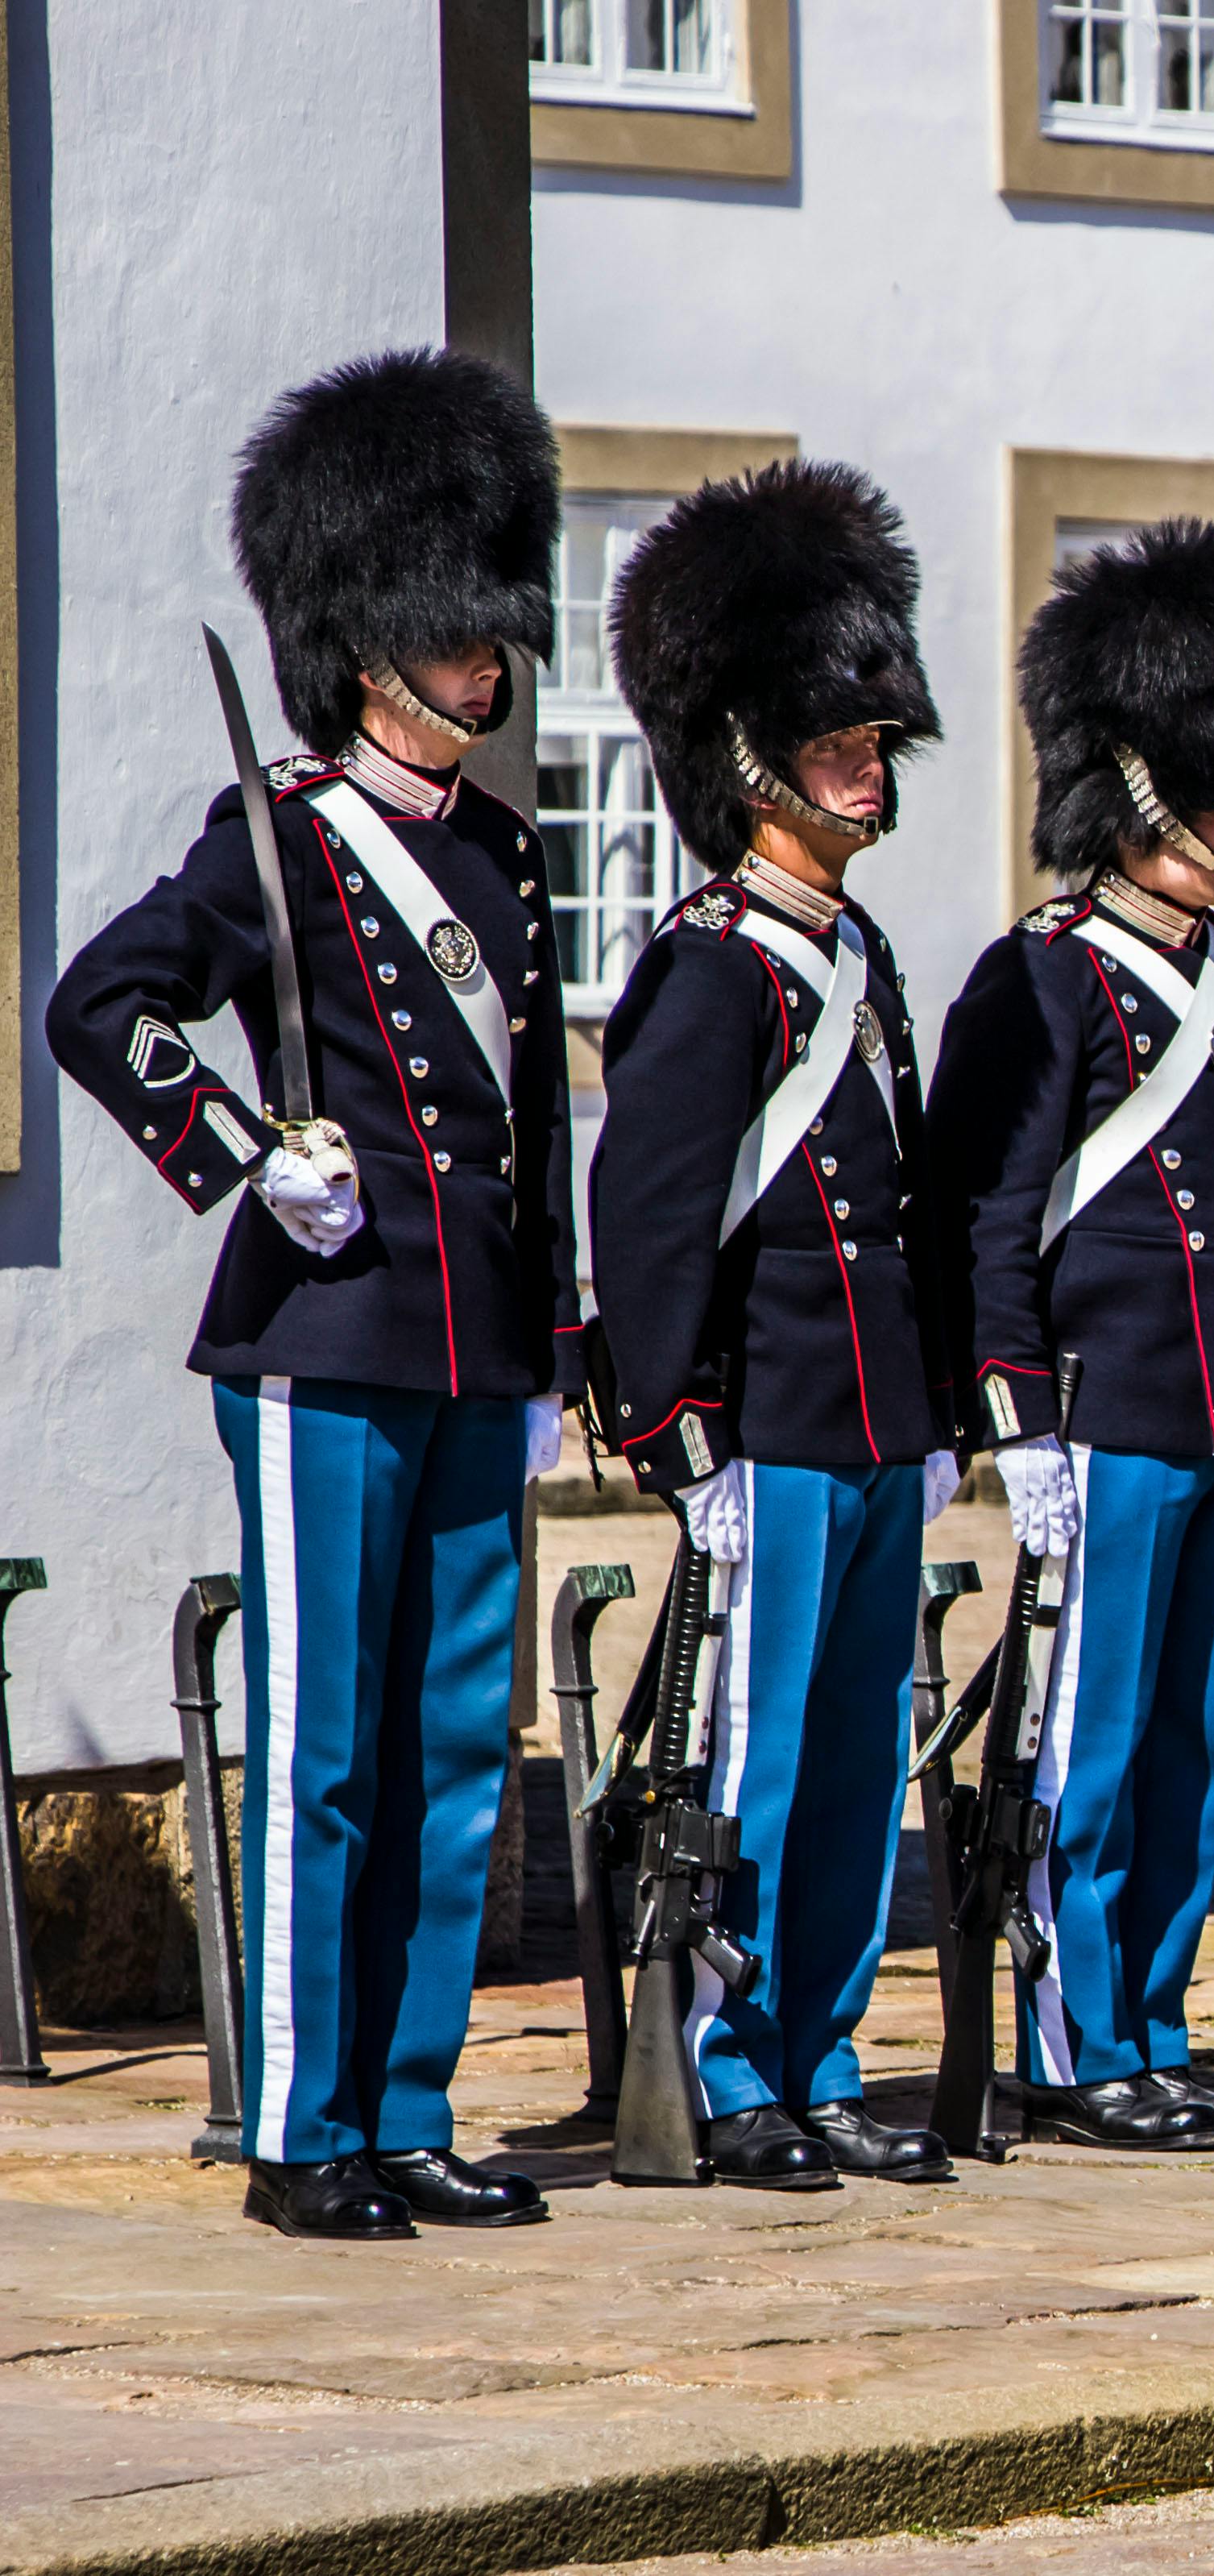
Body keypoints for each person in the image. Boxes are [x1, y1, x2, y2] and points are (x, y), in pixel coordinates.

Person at [49, 350, 573, 2239]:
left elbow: (531, 1136)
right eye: (454, 643)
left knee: (446, 1749)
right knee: (329, 1747)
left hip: (470, 1345)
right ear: (368, 651)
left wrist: (555, 1344)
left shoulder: (507, 862)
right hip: (319, 1332)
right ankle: (296, 2125)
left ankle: (409, 2100)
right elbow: (97, 1008)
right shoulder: (273, 839)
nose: (488, 671)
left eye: (492, 638)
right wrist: (241, 1150)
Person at [589, 459, 966, 2188]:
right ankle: (727, 2065)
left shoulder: (857, 956)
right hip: (773, 1434)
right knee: (752, 1768)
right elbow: (654, 1217)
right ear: (746, 755)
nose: (863, 766)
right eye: (834, 746)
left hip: (876, 1426)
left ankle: (816, 2053)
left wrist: (947, 1406)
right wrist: (678, 1430)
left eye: (871, 746)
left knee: (849, 1774)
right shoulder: (711, 965)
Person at [932, 521, 1214, 2149]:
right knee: (1087, 1758)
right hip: (1102, 1419)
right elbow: (985, 1216)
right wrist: (1019, 1424)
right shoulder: (1045, 978)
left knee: (1185, 1751)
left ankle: (1152, 2022)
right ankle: (1077, 2038)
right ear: (1138, 790)